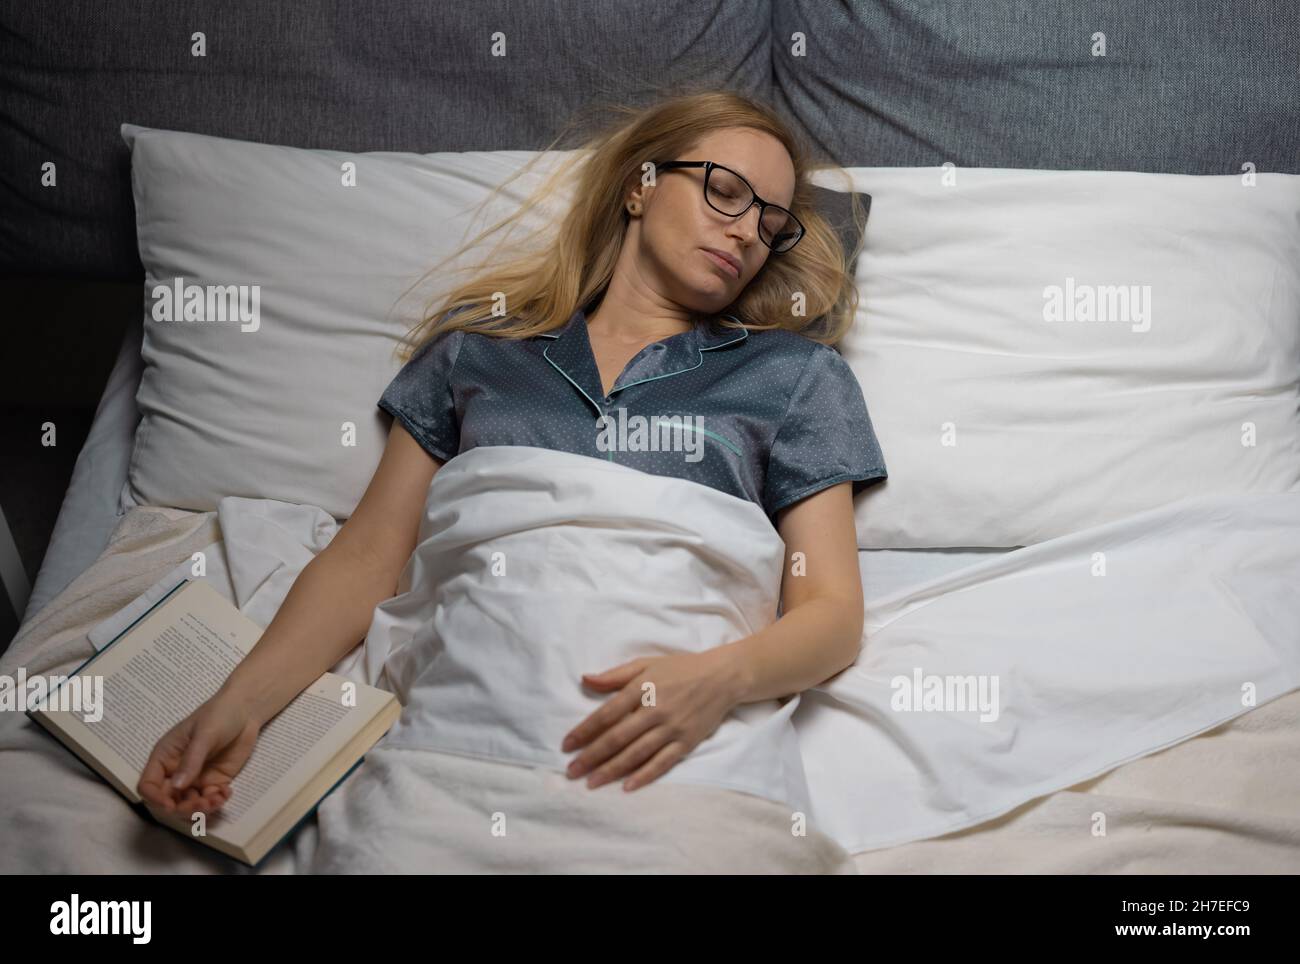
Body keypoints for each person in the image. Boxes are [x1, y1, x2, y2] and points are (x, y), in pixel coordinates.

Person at [136, 90, 887, 872]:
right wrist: (239, 706)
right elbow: (367, 558)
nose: (745, 232)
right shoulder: (482, 351)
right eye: (725, 191)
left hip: (686, 770)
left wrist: (718, 680)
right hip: (453, 760)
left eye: (770, 225)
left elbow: (832, 612)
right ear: (640, 185)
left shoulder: (795, 378)